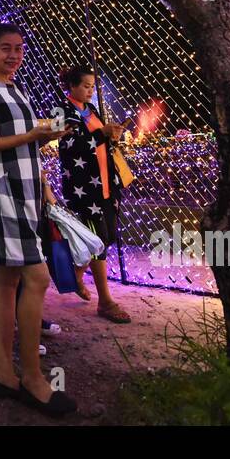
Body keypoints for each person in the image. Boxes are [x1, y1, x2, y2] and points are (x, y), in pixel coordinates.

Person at [0, 22, 76, 417]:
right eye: (5, 48)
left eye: (19, 48)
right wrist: (31, 135)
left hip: (24, 189)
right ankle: (32, 377)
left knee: (8, 277)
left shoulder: (15, 88)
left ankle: (2, 372)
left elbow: (21, 136)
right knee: (38, 277)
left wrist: (46, 134)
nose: (13, 55)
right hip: (2, 190)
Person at [57, 65, 132, 323]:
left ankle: (76, 273)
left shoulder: (92, 110)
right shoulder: (60, 110)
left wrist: (112, 136)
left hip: (105, 183)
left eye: (92, 86)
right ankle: (106, 301)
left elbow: (99, 142)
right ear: (73, 86)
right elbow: (66, 146)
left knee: (108, 236)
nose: (90, 91)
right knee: (98, 240)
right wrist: (101, 133)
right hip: (84, 188)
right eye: (86, 86)